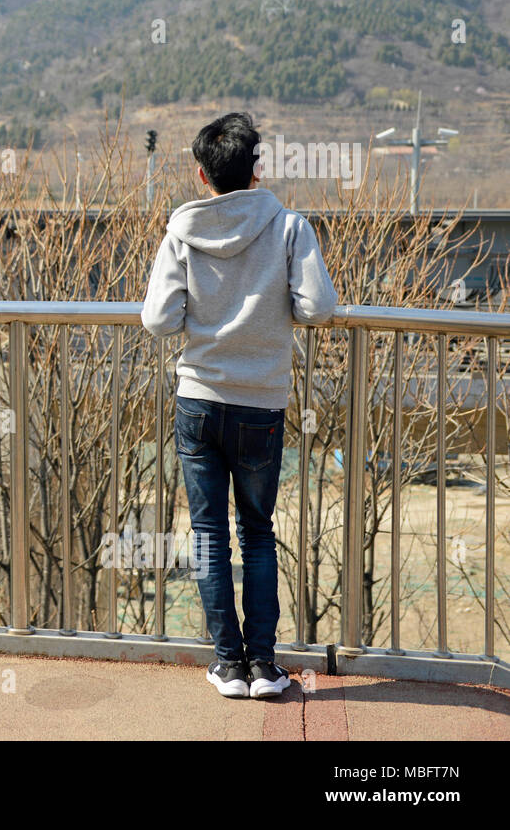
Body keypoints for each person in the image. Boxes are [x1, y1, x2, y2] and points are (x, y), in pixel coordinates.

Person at [140, 113, 338, 699]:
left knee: (207, 534)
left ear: (202, 174)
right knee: (257, 531)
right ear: (257, 171)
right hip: (261, 403)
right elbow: (318, 307)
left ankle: (227, 666)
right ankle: (265, 669)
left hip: (199, 399)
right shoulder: (289, 228)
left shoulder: (180, 232)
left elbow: (157, 320)